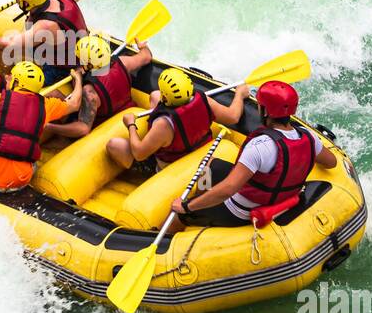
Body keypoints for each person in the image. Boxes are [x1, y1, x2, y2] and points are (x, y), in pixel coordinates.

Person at [167, 81, 337, 227]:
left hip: (241, 212)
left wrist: (187, 206)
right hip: (283, 198)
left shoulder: (259, 147)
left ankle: (192, 212)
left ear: (265, 111)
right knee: (212, 165)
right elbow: (331, 162)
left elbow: (228, 189)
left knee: (176, 214)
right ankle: (203, 194)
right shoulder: (310, 138)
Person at [0, 60, 83, 193]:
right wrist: (78, 79)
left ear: (17, 82)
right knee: (33, 163)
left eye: (11, 77)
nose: (7, 78)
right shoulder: (46, 106)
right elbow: (75, 104)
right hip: (16, 184)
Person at [107, 67, 247, 172]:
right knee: (154, 96)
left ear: (167, 98)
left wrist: (131, 125)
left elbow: (138, 153)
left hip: (172, 166)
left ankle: (147, 171)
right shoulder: (204, 100)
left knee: (114, 145)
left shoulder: (163, 125)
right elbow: (233, 116)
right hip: (198, 150)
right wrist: (239, 95)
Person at [43, 34, 153, 140]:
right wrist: (143, 46)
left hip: (104, 124)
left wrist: (50, 127)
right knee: (53, 94)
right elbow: (146, 56)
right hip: (128, 109)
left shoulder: (89, 92)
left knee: (51, 96)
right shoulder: (121, 62)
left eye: (80, 60)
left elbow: (83, 128)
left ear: (89, 64)